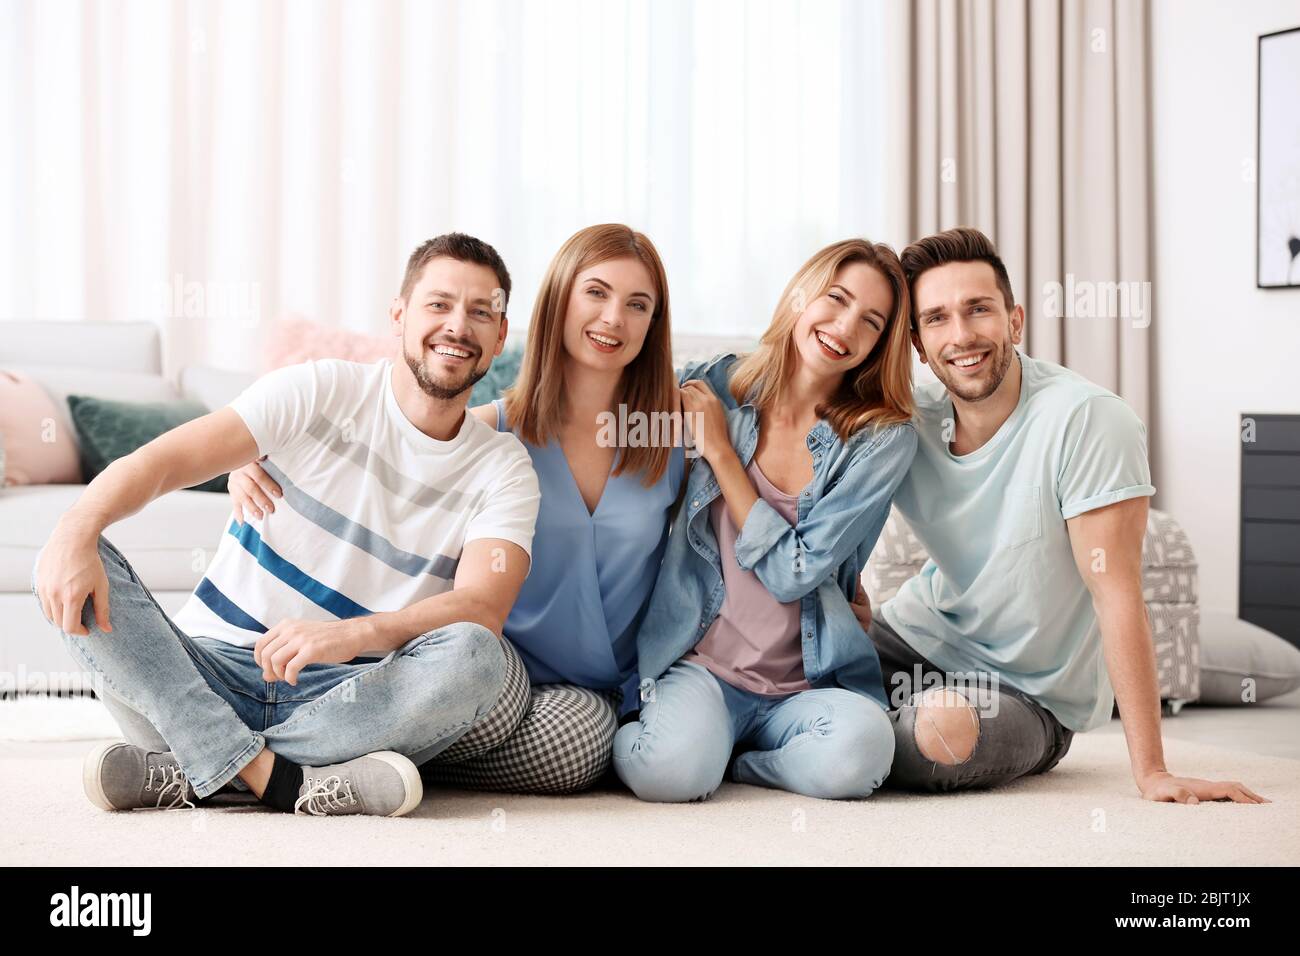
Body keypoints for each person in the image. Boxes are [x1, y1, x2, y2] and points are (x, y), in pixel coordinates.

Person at [32, 233, 541, 816]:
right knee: (67, 547)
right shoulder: (320, 388)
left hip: (341, 701)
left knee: (477, 655)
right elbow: (160, 463)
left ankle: (198, 769)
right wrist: (75, 529)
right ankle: (283, 781)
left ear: (501, 336)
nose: (458, 325)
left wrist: (354, 635)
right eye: (438, 304)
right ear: (398, 315)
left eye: (481, 312)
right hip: (203, 679)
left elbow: (482, 606)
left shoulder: (504, 467)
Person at [229, 223, 686, 794]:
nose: (613, 318)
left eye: (637, 304)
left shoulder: (673, 439)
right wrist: (250, 454)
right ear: (558, 302)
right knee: (486, 683)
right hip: (490, 666)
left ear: (653, 323)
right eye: (595, 293)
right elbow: (388, 449)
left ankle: (294, 763)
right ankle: (283, 767)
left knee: (583, 748)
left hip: (599, 690)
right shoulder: (492, 432)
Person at [857, 226, 1267, 804]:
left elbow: (1117, 593)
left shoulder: (1089, 420)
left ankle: (846, 729)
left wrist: (1152, 771)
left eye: (979, 310)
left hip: (1028, 691)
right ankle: (838, 726)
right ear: (919, 345)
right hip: (916, 637)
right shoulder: (907, 422)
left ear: (1015, 321)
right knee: (784, 659)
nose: (963, 335)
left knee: (938, 735)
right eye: (937, 319)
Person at [613, 237, 917, 802]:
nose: (846, 326)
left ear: (881, 344)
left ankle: (743, 763)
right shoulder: (716, 386)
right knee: (669, 774)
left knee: (864, 752)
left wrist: (723, 457)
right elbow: (609, 423)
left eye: (871, 321)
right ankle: (674, 736)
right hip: (703, 666)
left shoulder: (882, 439)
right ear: (801, 294)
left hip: (809, 682)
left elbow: (796, 572)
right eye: (837, 297)